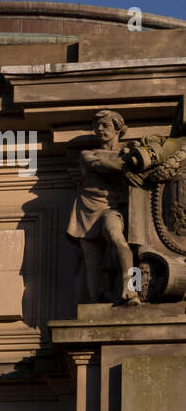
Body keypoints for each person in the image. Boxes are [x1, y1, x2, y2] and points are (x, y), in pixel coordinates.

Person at [67, 110, 141, 305]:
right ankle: (95, 303)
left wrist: (130, 157)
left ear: (118, 129)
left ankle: (132, 287)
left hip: (113, 208)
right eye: (97, 126)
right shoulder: (87, 154)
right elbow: (100, 164)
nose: (99, 129)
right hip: (87, 210)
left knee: (118, 240)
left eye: (105, 125)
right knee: (92, 262)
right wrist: (133, 159)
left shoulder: (127, 153)